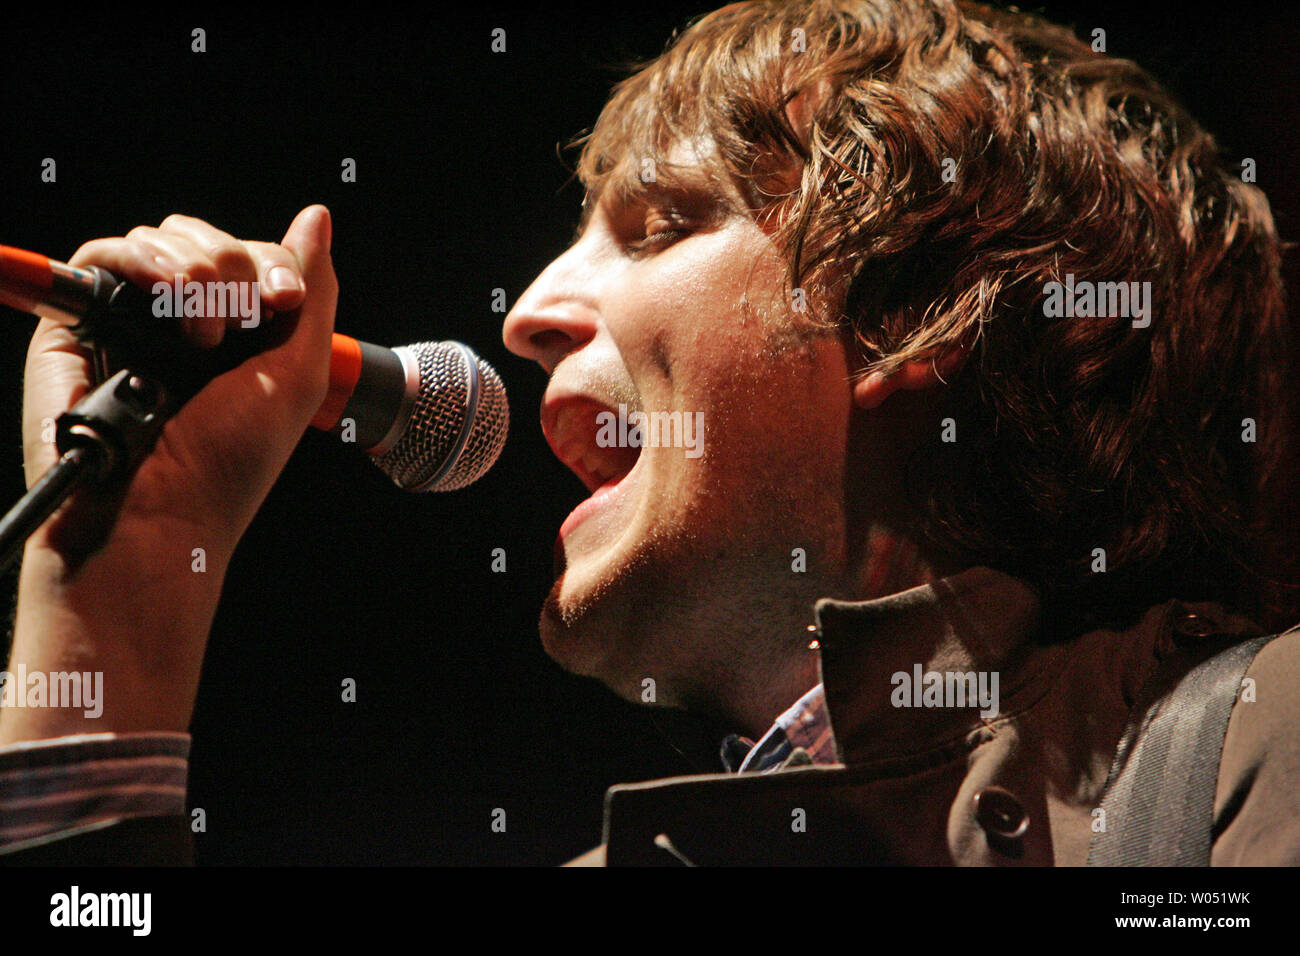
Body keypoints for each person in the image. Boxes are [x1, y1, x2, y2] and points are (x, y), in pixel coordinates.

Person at [1, 0, 1296, 865]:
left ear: (926, 307)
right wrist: (113, 593)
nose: (533, 316)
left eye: (661, 224)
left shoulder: (1262, 744)